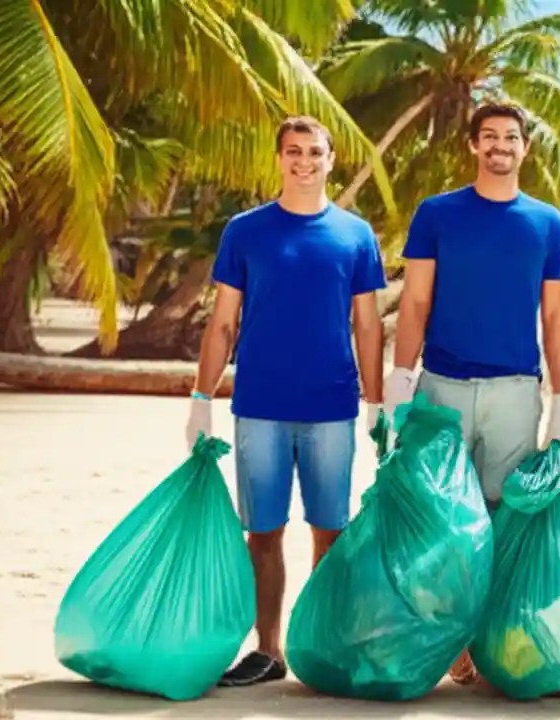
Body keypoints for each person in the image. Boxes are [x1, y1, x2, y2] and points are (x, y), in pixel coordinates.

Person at [381, 102, 560, 688]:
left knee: (499, 514)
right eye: (489, 136)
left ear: (526, 148)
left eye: (511, 137)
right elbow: (415, 302)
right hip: (441, 385)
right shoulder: (437, 214)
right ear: (473, 145)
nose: (500, 145)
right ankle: (443, 636)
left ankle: (485, 641)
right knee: (440, 514)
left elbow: (555, 319)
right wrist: (400, 385)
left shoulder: (549, 224)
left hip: (517, 390)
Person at [185, 115, 388, 686]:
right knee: (264, 531)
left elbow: (368, 327)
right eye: (293, 151)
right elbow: (223, 322)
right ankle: (269, 651)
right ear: (278, 158)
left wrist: (377, 405)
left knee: (331, 530)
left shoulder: (355, 235)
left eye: (315, 152)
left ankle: (322, 646)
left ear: (331, 159)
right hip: (259, 406)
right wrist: (201, 397)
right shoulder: (246, 231)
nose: (304, 161)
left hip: (332, 408)